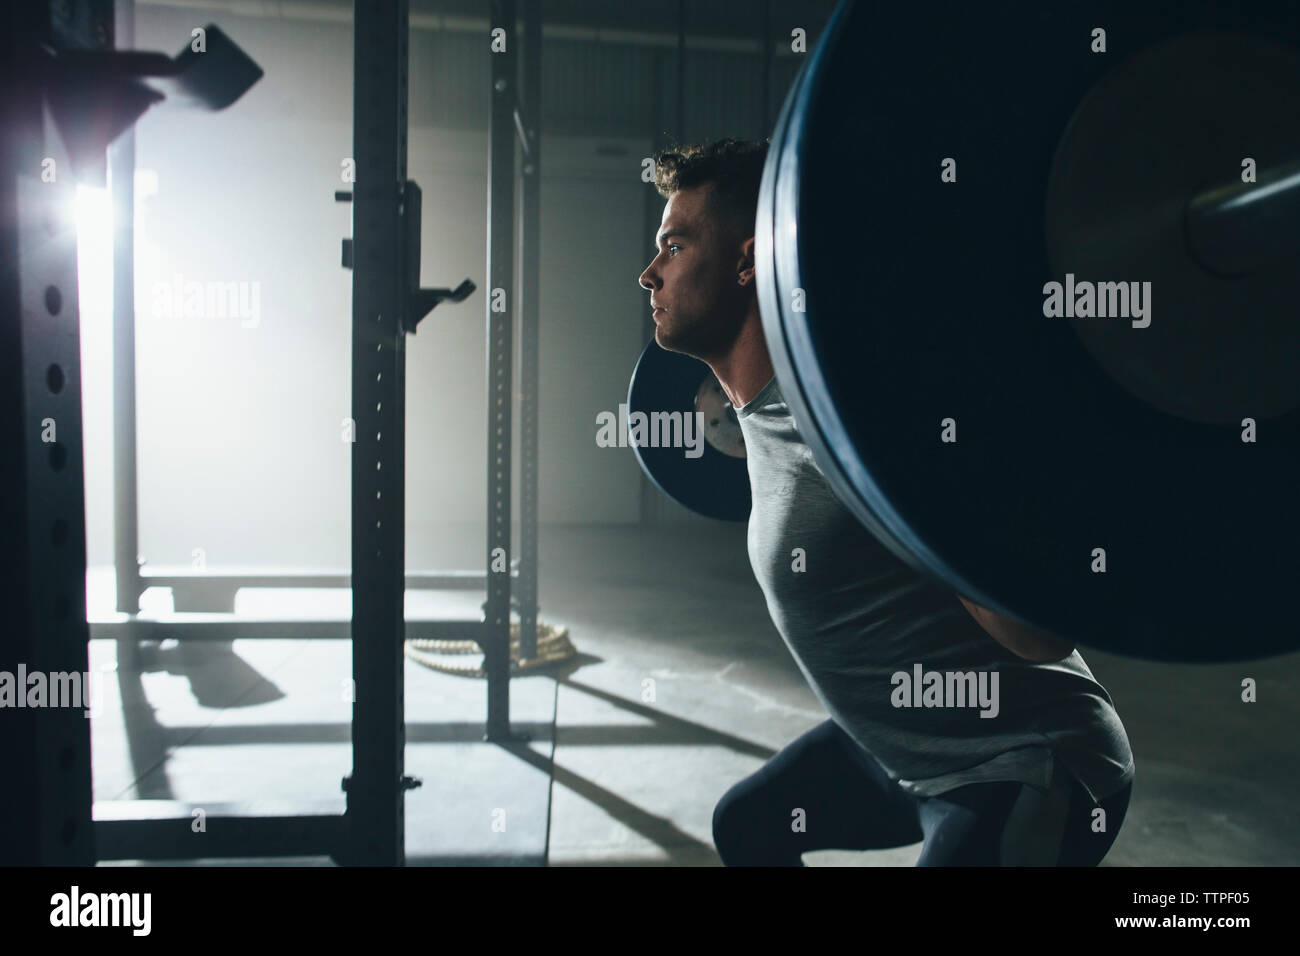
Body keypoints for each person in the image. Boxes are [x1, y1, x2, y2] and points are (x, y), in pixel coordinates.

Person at [637, 138, 1134, 866]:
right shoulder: (762, 418)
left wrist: (948, 486)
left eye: (674, 247)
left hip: (1025, 761)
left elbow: (1038, 637)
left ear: (748, 262)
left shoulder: (854, 429)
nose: (648, 273)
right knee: (747, 827)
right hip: (900, 751)